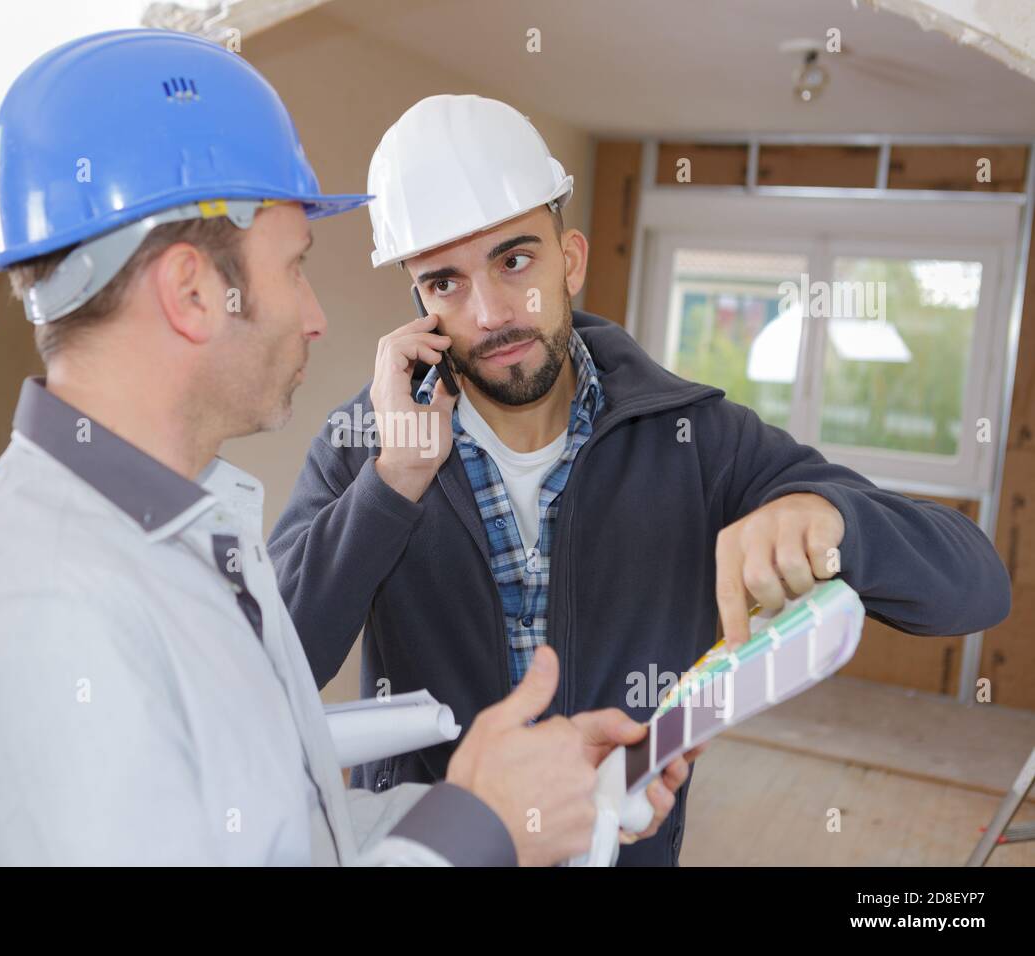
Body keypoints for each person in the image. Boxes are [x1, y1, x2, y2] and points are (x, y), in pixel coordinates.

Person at [0, 32, 680, 866]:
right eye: (295, 267)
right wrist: (477, 828)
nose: (316, 317)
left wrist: (509, 800)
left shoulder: (184, 538)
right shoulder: (30, 614)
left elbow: (287, 840)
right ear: (194, 292)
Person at [268, 94, 1013, 866]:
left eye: (514, 260)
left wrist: (832, 519)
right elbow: (269, 667)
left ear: (573, 260)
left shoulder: (697, 441)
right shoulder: (368, 448)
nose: (489, 312)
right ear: (419, 303)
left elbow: (977, 585)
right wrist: (392, 484)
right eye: (445, 282)